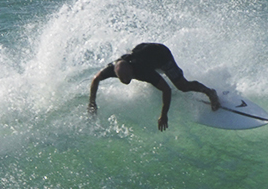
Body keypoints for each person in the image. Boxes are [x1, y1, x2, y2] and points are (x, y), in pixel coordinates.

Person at [87, 42, 221, 131]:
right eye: (123, 79)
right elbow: (95, 79)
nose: (127, 81)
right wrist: (92, 102)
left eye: (128, 77)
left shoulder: (143, 71)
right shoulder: (112, 68)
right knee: (157, 80)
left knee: (182, 86)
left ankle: (210, 92)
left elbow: (166, 90)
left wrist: (163, 115)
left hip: (161, 55)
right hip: (143, 52)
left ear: (132, 71)